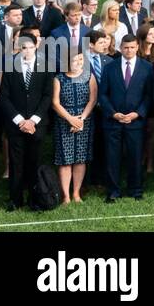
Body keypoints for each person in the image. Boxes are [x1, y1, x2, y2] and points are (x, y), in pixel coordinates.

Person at [99, 34, 154, 202]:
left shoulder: (147, 67)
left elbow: (149, 95)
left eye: (132, 47)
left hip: (135, 121)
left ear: (137, 47)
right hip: (113, 121)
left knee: (136, 156)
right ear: (120, 48)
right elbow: (102, 94)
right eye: (125, 47)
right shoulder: (110, 67)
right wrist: (113, 113)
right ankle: (113, 191)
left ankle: (136, 190)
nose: (129, 50)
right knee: (112, 157)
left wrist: (137, 113)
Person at [1, 33, 51, 211]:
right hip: (16, 125)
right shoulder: (9, 66)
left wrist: (33, 121)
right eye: (24, 48)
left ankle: (35, 199)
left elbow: (47, 96)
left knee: (34, 162)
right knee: (16, 163)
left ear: (36, 46)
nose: (27, 51)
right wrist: (21, 121)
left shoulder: (46, 65)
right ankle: (15, 200)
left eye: (30, 47)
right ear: (18, 47)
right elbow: (4, 97)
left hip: (37, 124)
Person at [51, 49, 96, 205]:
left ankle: (76, 193)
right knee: (65, 160)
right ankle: (66, 196)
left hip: (85, 121)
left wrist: (81, 119)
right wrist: (71, 119)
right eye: (74, 60)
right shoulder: (59, 78)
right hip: (64, 121)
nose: (78, 63)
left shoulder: (89, 76)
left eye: (81, 60)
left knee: (80, 159)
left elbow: (93, 99)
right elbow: (55, 103)